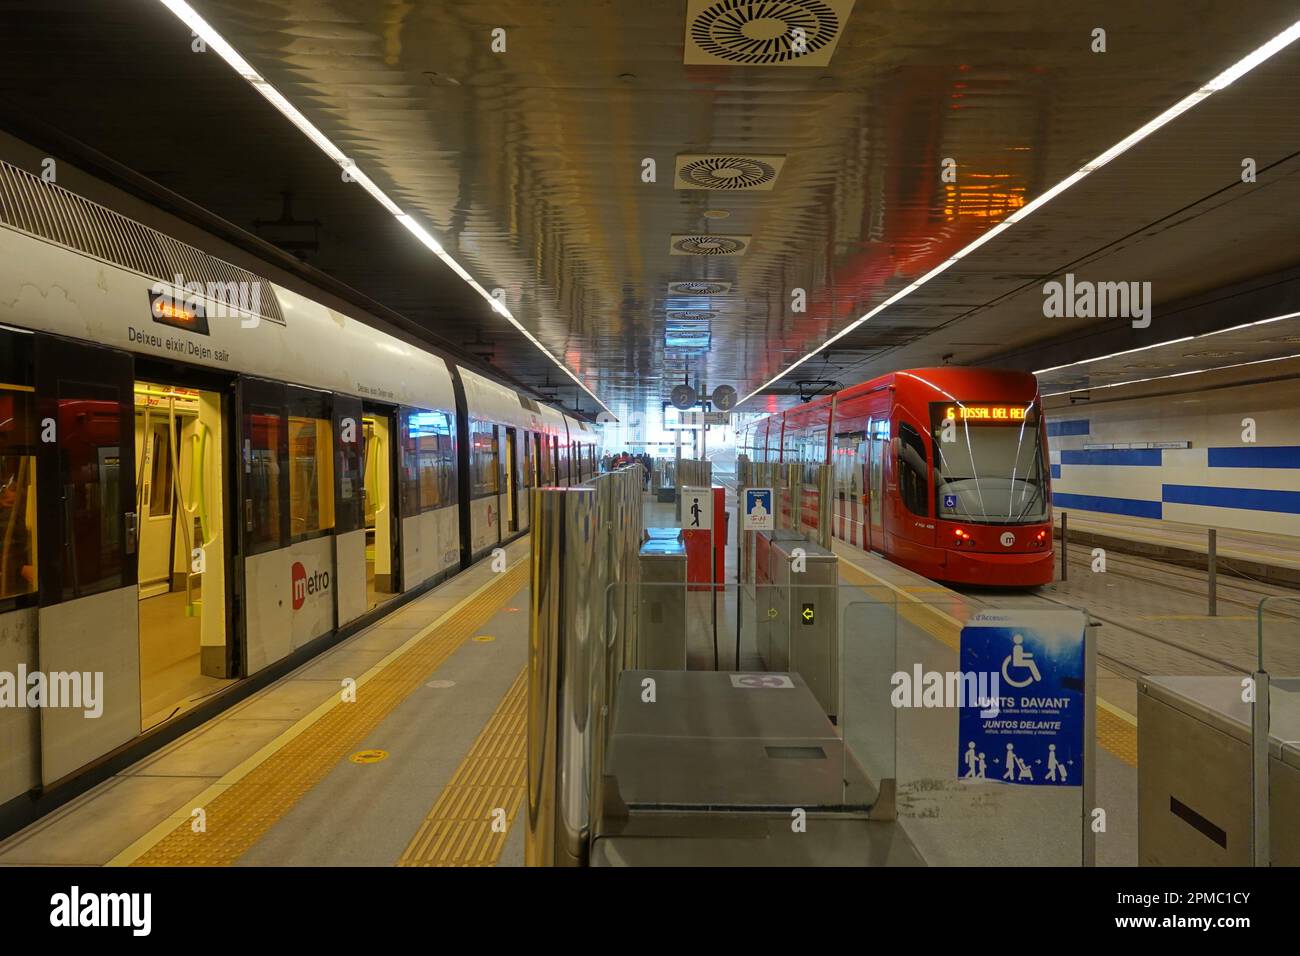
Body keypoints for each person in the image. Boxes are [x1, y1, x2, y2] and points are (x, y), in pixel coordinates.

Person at [0, 461, 35, 599]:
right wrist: (21, 568)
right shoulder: (7, 516)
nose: (8, 494)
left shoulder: (22, 509)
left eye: (13, 489)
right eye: (4, 491)